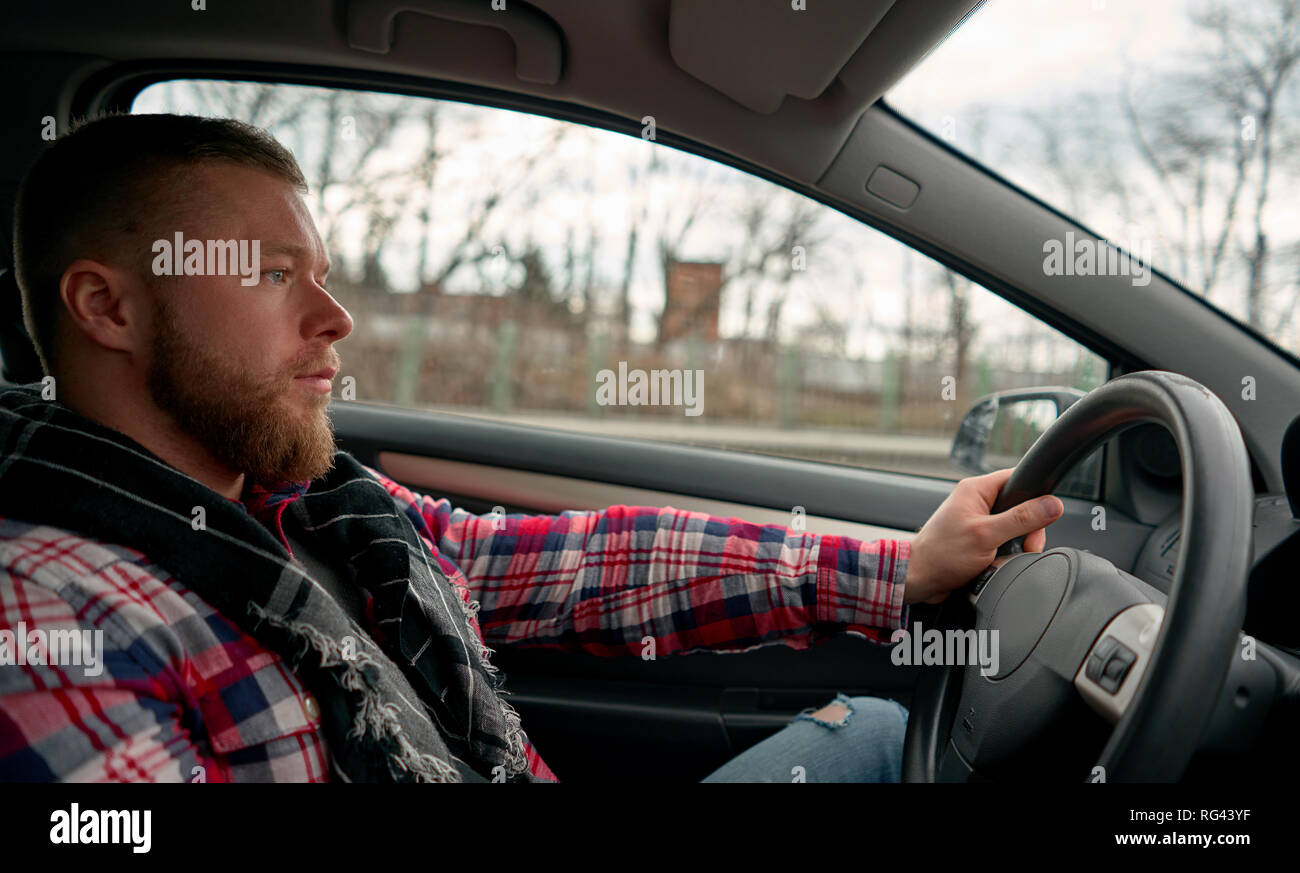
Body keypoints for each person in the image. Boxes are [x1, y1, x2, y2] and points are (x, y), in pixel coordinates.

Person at [0, 114, 1064, 783]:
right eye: (274, 275)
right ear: (109, 308)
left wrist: (898, 572)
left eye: (320, 272)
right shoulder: (48, 622)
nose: (335, 317)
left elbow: (570, 569)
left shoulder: (307, 506)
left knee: (875, 731)